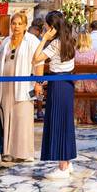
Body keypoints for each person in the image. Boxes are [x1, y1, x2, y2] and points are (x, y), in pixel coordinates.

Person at [32, 11, 77, 180]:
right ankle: (67, 160)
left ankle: (63, 166)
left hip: (58, 84)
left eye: (46, 25)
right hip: (67, 83)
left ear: (52, 27)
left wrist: (43, 38)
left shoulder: (55, 44)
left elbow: (36, 58)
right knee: (65, 121)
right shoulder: (69, 40)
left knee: (58, 122)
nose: (44, 27)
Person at [0, 10, 39, 163]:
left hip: (24, 84)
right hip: (5, 84)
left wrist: (38, 82)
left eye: (20, 24)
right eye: (14, 23)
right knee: (6, 116)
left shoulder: (32, 41)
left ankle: (24, 152)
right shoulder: (6, 41)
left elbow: (38, 62)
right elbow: (0, 62)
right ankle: (7, 151)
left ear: (26, 25)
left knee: (22, 116)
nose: (17, 26)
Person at [73, 30, 97, 125]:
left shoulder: (74, 53)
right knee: (92, 89)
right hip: (92, 84)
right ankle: (89, 116)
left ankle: (80, 116)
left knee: (81, 89)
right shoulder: (96, 53)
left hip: (76, 83)